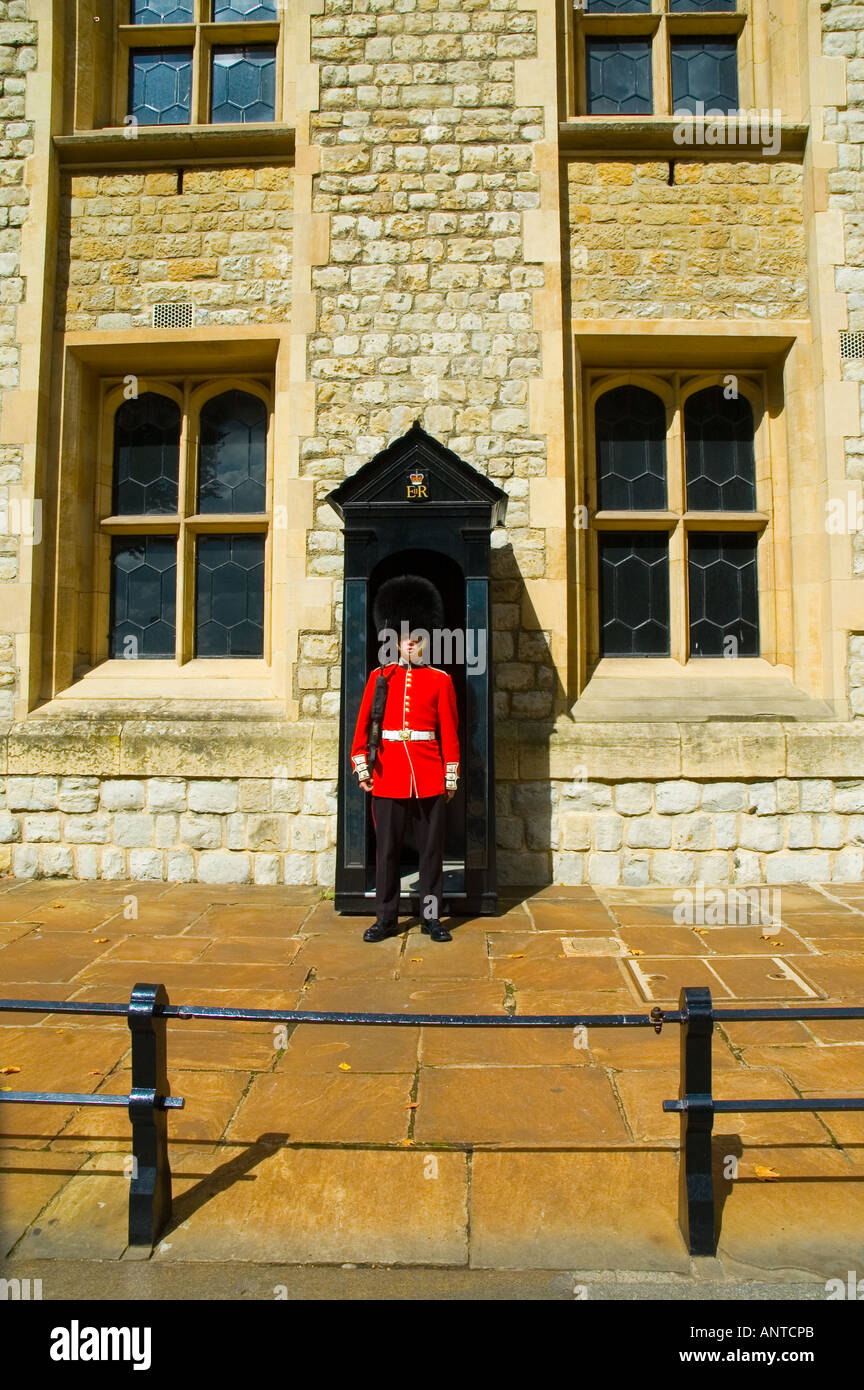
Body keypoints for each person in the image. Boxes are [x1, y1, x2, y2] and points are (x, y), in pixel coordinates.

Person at [349, 574, 459, 943]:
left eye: (417, 639)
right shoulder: (379, 677)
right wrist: (362, 767)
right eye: (405, 639)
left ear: (426, 641)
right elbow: (363, 726)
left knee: (431, 854)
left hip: (428, 775)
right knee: (387, 853)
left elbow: (449, 732)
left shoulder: (441, 681)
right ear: (396, 641)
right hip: (388, 773)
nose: (410, 644)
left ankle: (431, 917)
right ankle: (386, 919)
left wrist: (450, 776)